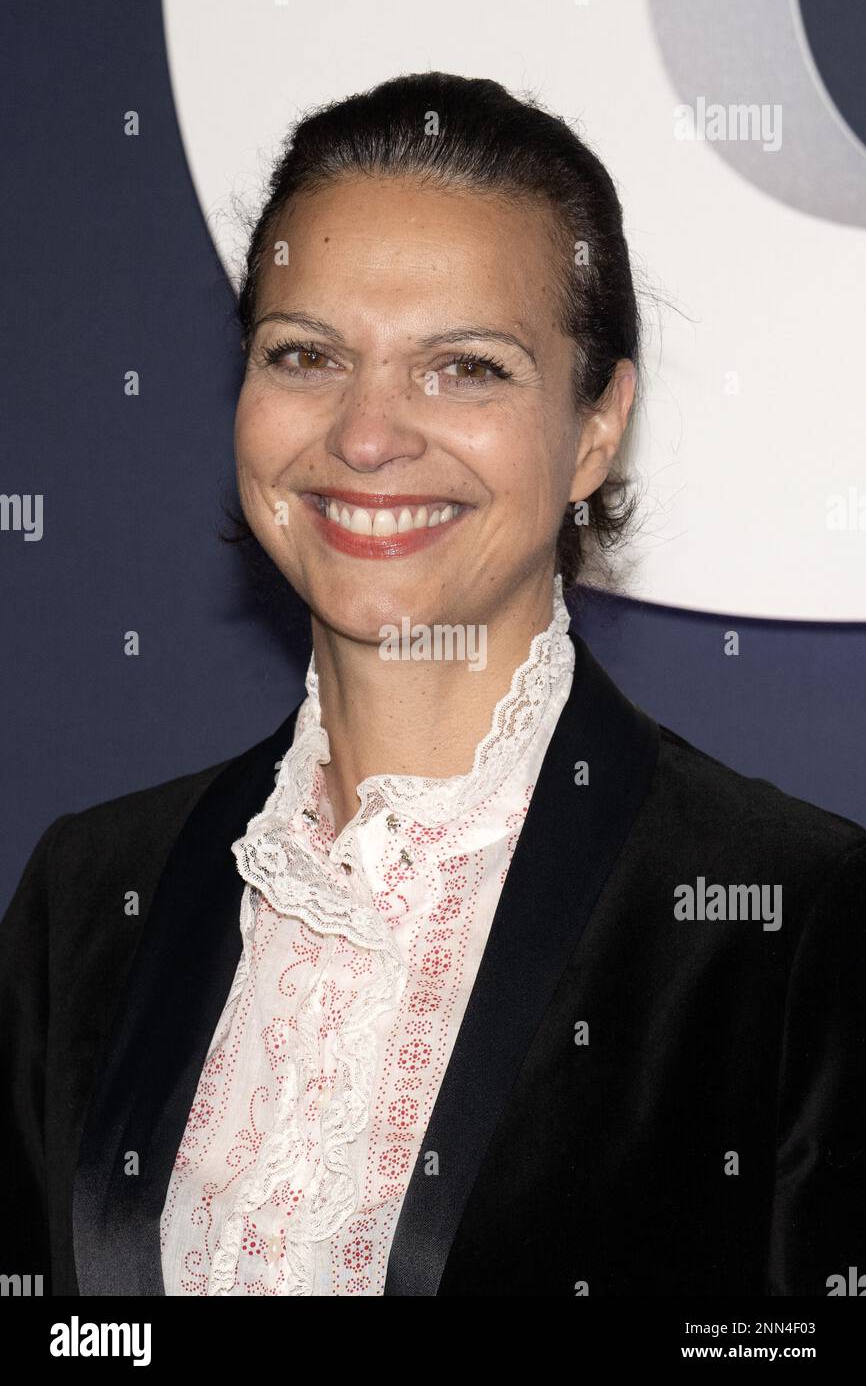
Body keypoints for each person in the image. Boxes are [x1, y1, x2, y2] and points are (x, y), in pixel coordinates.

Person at [2, 71, 864, 1298]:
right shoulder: (86, 900)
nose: (366, 435)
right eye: (305, 354)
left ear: (596, 426)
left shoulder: (789, 922)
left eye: (464, 368)